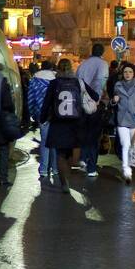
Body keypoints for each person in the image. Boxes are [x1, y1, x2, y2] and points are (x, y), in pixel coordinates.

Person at [39, 58, 83, 193]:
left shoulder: (54, 83)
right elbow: (87, 98)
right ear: (71, 68)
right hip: (74, 123)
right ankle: (69, 171)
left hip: (58, 123)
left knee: (60, 154)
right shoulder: (77, 82)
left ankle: (64, 183)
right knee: (72, 151)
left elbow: (47, 102)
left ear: (58, 68)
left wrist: (42, 118)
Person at [111, 62, 135, 184]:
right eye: (125, 72)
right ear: (122, 74)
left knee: (131, 146)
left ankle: (127, 166)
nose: (127, 74)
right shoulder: (118, 85)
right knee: (126, 145)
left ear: (134, 74)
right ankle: (126, 170)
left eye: (130, 72)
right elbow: (113, 103)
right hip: (122, 119)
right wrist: (114, 100)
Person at [74, 43, 109, 177]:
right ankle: (91, 168)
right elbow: (101, 82)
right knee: (94, 136)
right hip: (94, 103)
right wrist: (98, 99)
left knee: (84, 131)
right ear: (102, 52)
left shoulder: (83, 64)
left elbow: (77, 82)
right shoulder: (103, 64)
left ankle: (83, 158)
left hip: (82, 103)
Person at [27, 60, 57, 184]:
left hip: (41, 114)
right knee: (55, 141)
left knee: (45, 142)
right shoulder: (56, 80)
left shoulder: (34, 80)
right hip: (55, 114)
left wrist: (33, 114)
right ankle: (55, 168)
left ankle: (43, 169)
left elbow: (30, 99)